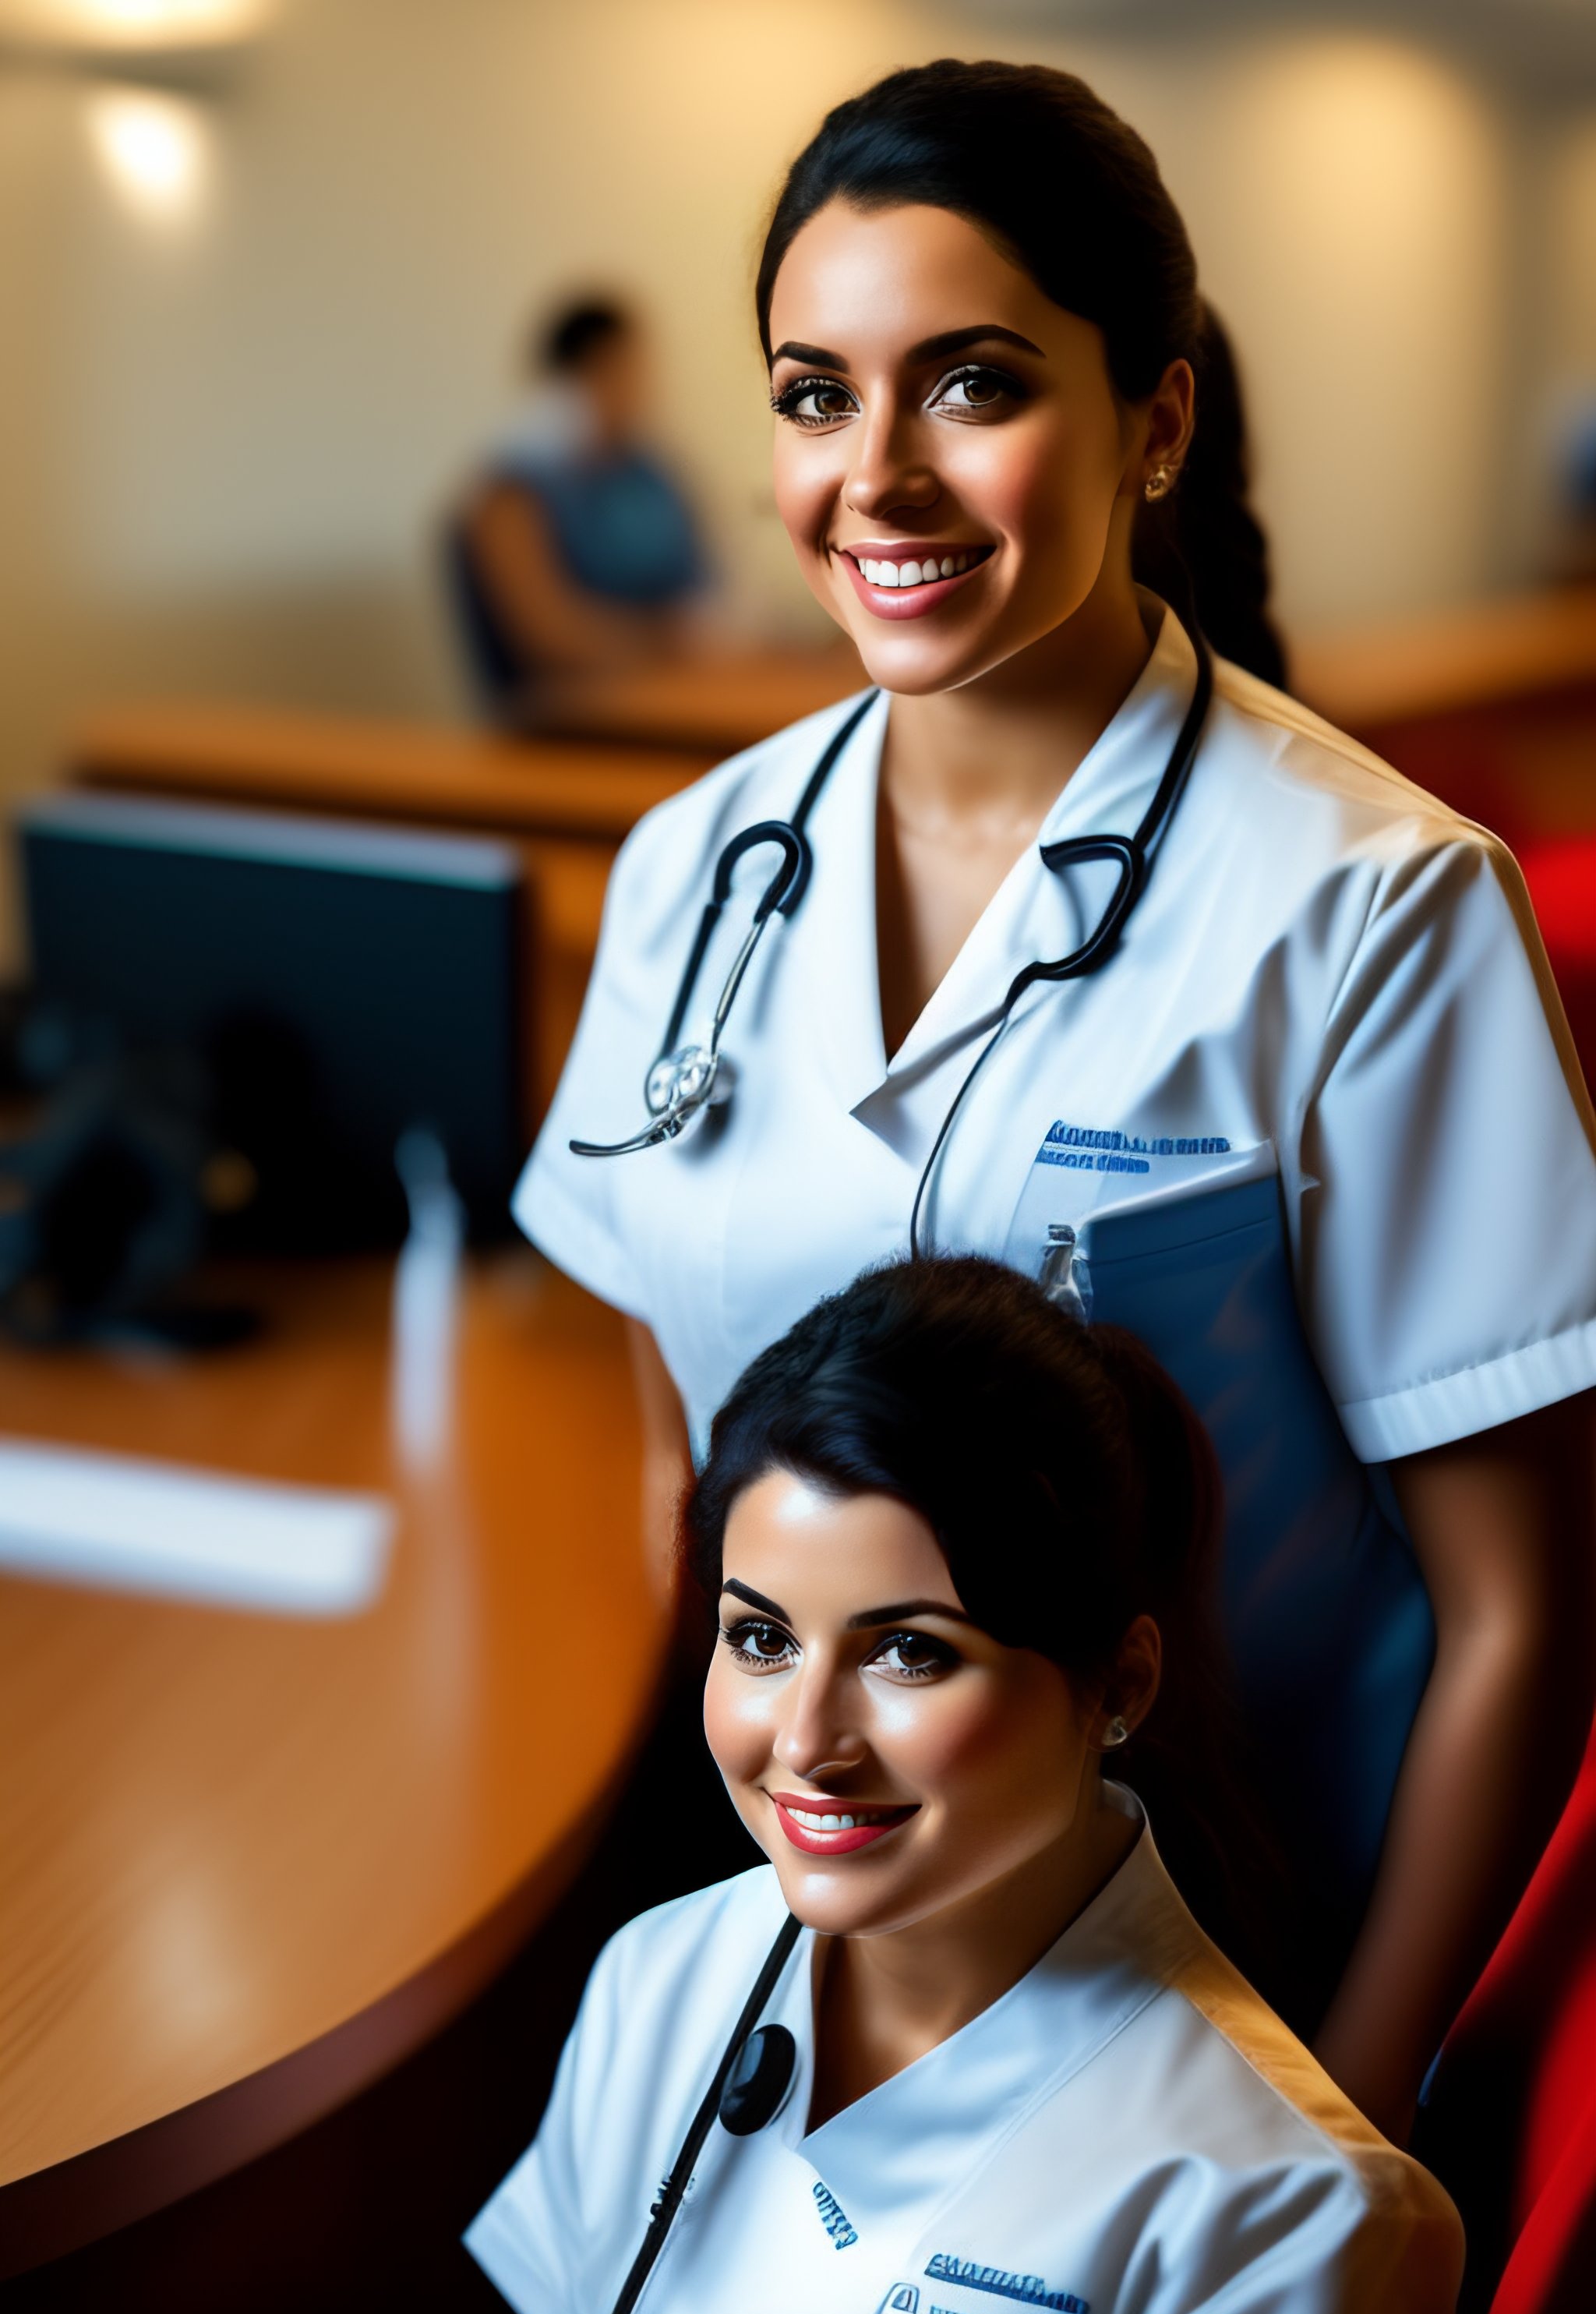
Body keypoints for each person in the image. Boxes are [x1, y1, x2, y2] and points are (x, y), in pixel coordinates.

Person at [511, 60, 1596, 2138]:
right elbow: (664, 1442)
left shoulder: (1368, 908)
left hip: (1218, 1994)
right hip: (796, 1949)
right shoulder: (691, 873)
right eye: (816, 394)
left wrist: (1339, 2133)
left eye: (973, 385)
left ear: (1156, 422)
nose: (877, 476)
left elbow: (1525, 1608)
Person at [467, 1258, 1464, 2314]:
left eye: (910, 1652)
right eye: (762, 1640)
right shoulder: (658, 1985)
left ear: (1122, 1686)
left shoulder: (1286, 2224)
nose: (807, 1742)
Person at [447, 295, 710, 713]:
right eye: (625, 369)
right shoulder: (510, 494)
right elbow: (550, 636)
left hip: (679, 692)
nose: (641, 387)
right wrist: (672, 643)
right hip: (568, 718)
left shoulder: (653, 475)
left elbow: (707, 595)